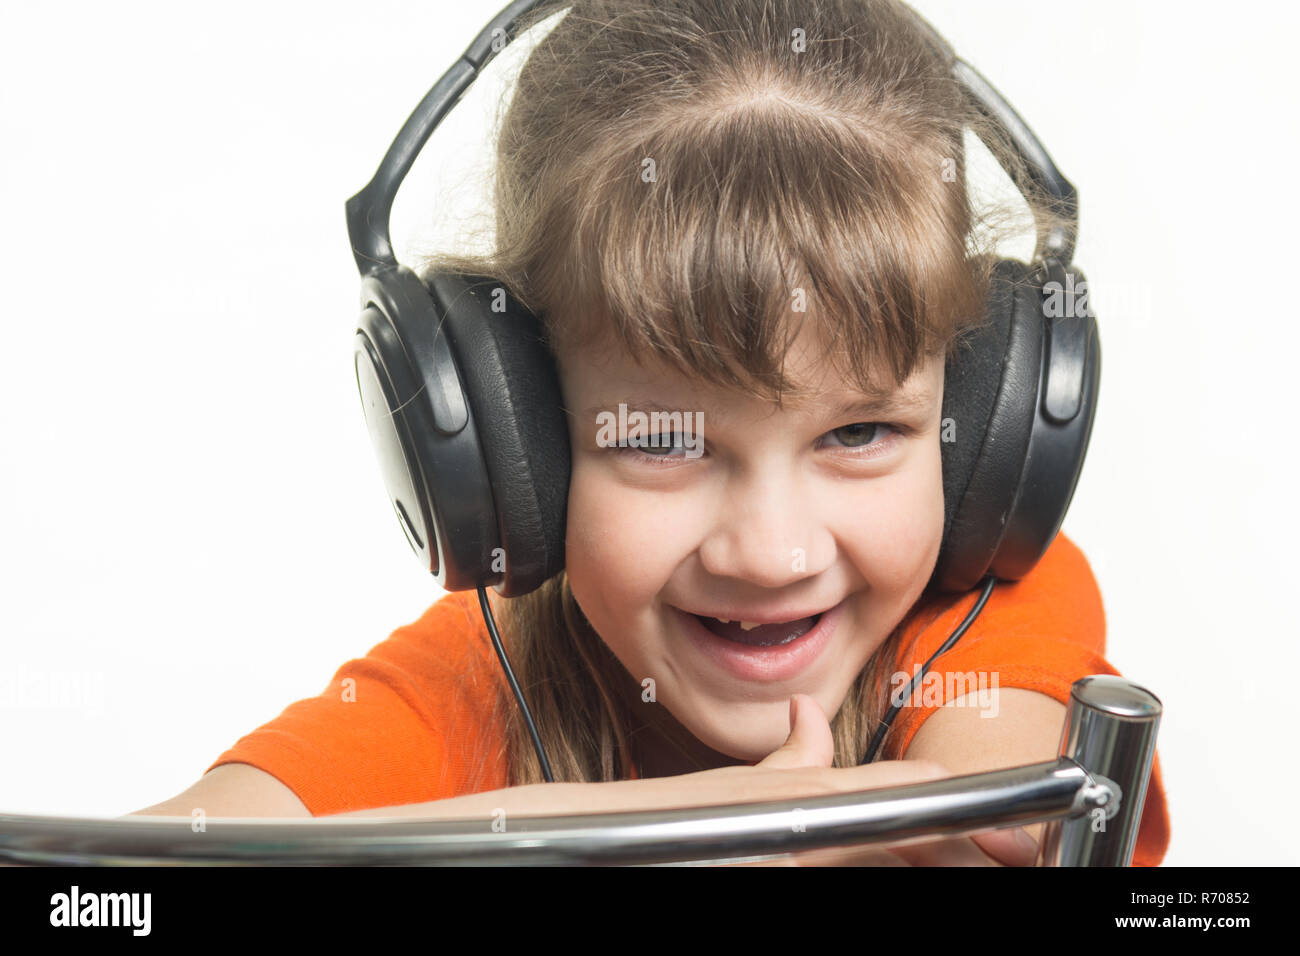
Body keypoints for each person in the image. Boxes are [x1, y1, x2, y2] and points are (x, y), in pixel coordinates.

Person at [129, 0, 1170, 866]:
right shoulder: (472, 675)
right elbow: (109, 886)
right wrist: (718, 835)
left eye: (858, 431)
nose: (772, 551)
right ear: (518, 442)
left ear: (980, 427)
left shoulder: (980, 621)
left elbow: (998, 821)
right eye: (664, 440)